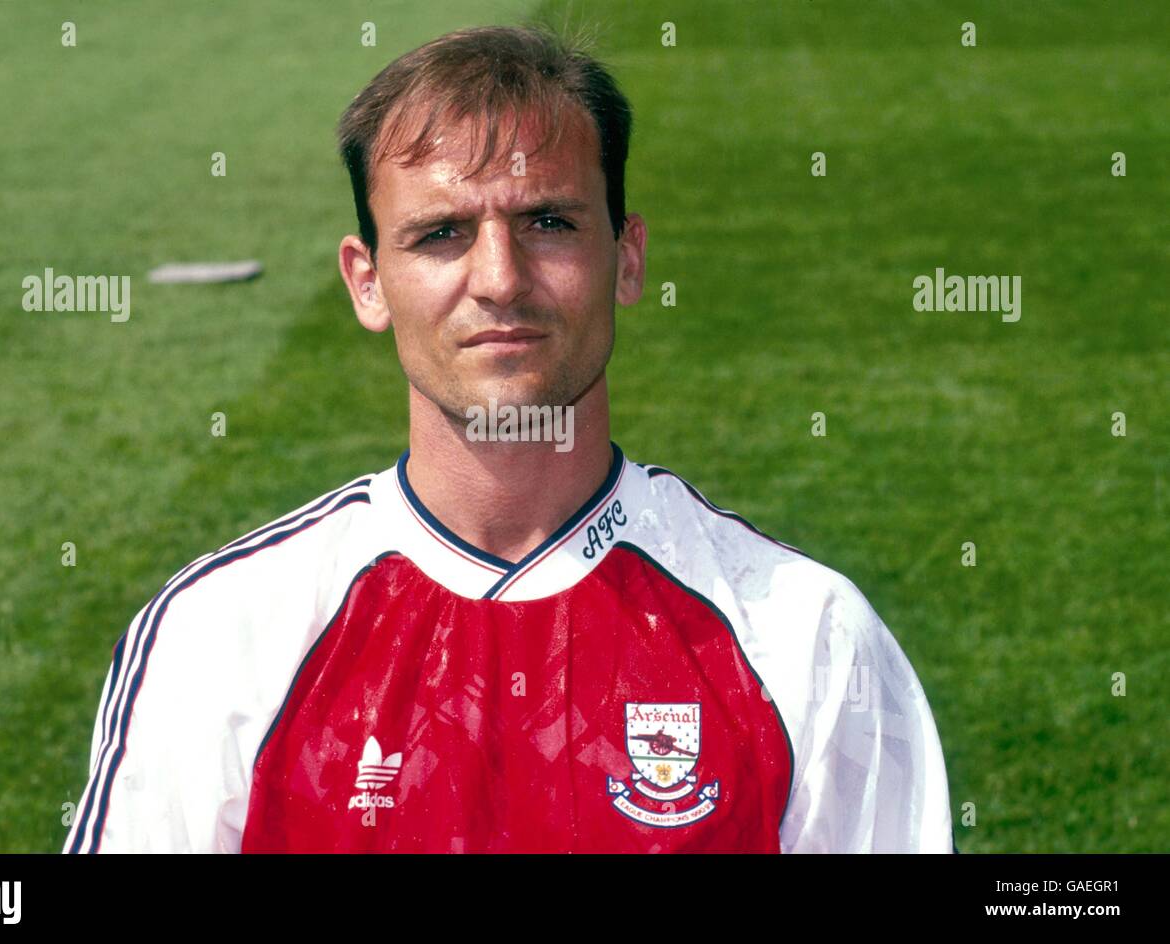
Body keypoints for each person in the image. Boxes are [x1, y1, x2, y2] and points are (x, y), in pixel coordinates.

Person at [64, 24, 953, 853]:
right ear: (368, 283)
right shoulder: (223, 639)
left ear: (629, 256)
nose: (500, 279)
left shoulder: (805, 638)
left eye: (548, 223)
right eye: (442, 234)